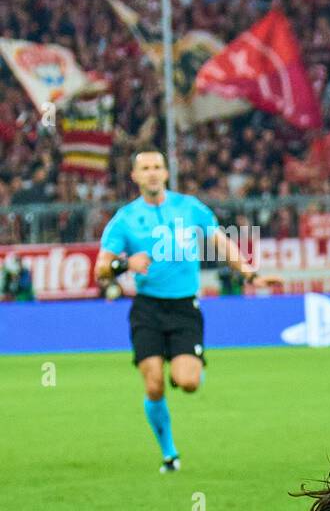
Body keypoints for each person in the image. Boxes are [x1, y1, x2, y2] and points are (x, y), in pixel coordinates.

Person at [95, 151, 270, 472]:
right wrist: (124, 264)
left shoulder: (189, 208)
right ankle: (170, 454)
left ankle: (185, 365)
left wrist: (248, 272)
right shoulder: (124, 219)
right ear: (134, 175)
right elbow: (101, 270)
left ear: (166, 173)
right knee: (153, 384)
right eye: (145, 168)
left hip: (184, 307)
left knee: (187, 383)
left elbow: (220, 242)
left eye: (157, 167)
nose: (152, 173)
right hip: (147, 308)